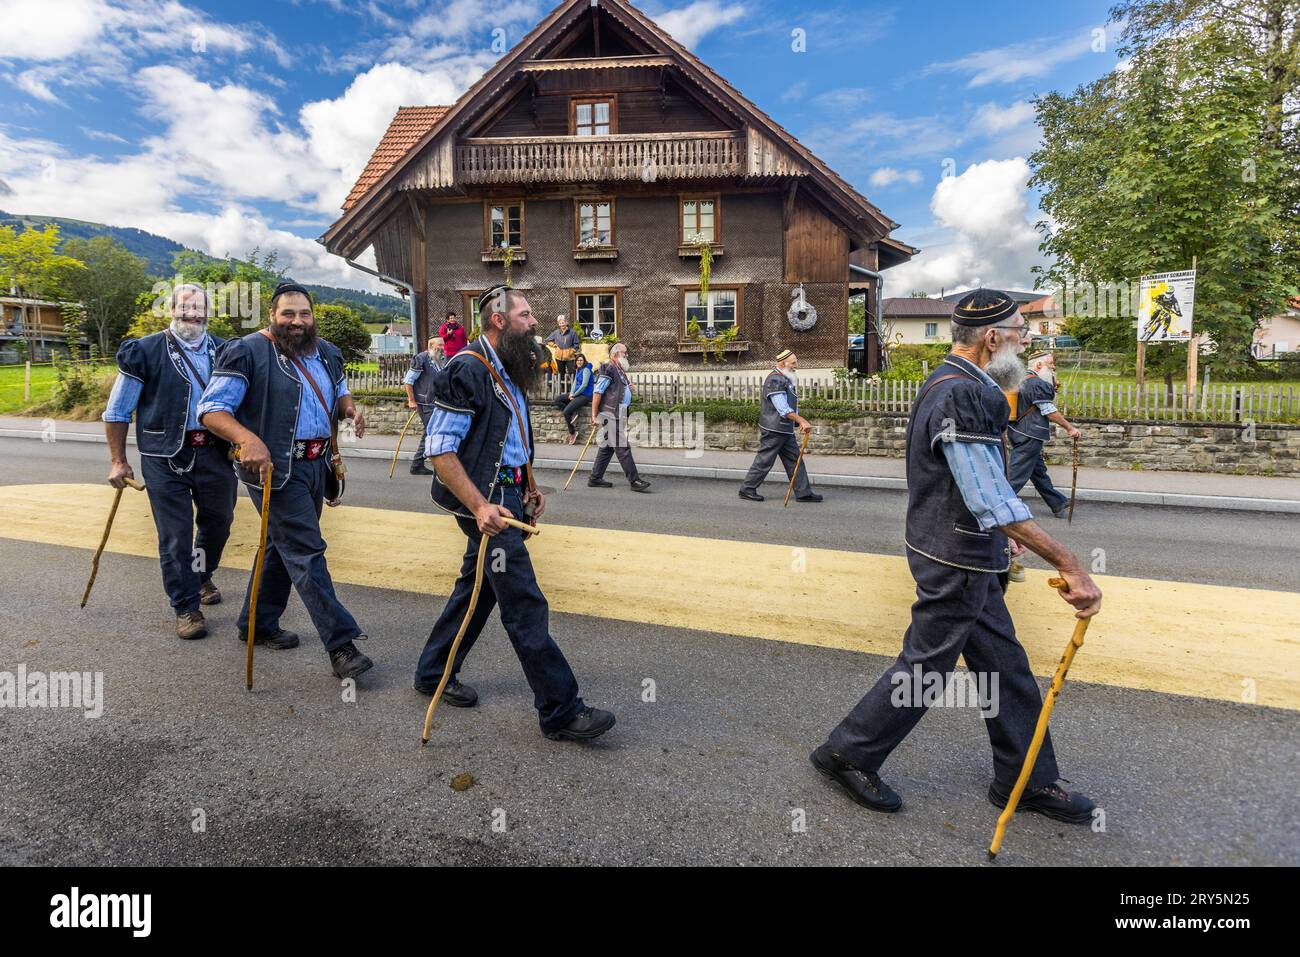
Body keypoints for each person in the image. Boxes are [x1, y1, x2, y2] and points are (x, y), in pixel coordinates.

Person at [811, 288, 1102, 824]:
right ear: (993, 338)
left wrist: (1005, 534)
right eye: (1019, 330)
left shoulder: (956, 381)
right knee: (926, 666)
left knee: (1004, 667)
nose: (1026, 339)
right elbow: (988, 496)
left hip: (964, 550)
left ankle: (1026, 780)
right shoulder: (965, 393)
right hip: (957, 558)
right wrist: (1069, 562)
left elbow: (977, 486)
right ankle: (848, 753)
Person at [413, 283, 615, 742]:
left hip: (508, 496)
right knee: (523, 601)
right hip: (482, 501)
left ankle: (432, 671)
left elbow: (512, 439)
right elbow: (440, 451)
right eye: (526, 315)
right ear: (500, 320)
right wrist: (481, 505)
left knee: (478, 589)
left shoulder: (508, 368)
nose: (536, 322)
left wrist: (528, 484)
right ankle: (560, 710)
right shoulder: (467, 369)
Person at [196, 281, 374, 680]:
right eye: (288, 314)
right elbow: (210, 410)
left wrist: (349, 410)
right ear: (272, 317)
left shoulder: (327, 352)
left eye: (304, 314)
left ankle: (256, 624)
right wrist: (247, 438)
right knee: (307, 551)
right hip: (272, 470)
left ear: (313, 317)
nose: (297, 321)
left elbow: (340, 391)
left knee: (282, 547)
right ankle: (341, 645)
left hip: (316, 466)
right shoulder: (248, 351)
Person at [101, 283, 237, 640]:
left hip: (214, 453)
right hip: (164, 458)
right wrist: (119, 460)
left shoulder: (225, 351)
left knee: (219, 523)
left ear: (209, 314)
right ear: (171, 310)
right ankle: (186, 607)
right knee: (176, 536)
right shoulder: (143, 351)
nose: (191, 315)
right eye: (184, 308)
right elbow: (117, 411)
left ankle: (202, 575)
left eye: (199, 309)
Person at [738, 349, 822, 503]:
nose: (796, 366)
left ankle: (803, 492)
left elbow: (789, 406)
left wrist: (795, 420)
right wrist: (801, 420)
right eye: (793, 363)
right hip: (774, 429)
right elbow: (782, 408)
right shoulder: (775, 380)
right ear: (783, 364)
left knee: (795, 460)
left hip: (784, 428)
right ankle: (747, 489)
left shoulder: (784, 378)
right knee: (764, 460)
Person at [1008, 350, 1080, 520]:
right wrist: (1070, 428)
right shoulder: (1035, 384)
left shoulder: (1020, 380)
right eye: (1051, 364)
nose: (1054, 368)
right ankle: (996, 506)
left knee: (1038, 472)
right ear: (1038, 365)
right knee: (1016, 475)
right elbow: (1049, 411)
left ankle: (1057, 503)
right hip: (1029, 435)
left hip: (1019, 432)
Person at [588, 342, 650, 492]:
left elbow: (616, 390)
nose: (627, 355)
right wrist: (594, 415)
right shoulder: (608, 368)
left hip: (618, 414)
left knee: (608, 447)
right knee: (622, 446)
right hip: (609, 414)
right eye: (625, 352)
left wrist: (629, 388)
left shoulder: (619, 370)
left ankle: (595, 477)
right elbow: (598, 392)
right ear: (615, 354)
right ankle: (634, 480)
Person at [404, 335, 448, 475]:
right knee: (432, 431)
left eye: (443, 345)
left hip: (437, 402)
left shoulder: (441, 359)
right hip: (424, 402)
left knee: (430, 431)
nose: (442, 348)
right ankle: (421, 464)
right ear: (430, 346)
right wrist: (411, 400)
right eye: (439, 345)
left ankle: (418, 463)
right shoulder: (421, 359)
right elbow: (408, 380)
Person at [554, 352, 594, 444]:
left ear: (584, 361)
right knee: (558, 400)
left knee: (566, 412)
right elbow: (575, 383)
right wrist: (571, 394)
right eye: (578, 360)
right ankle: (572, 414)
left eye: (581, 360)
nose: (579, 362)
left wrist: (574, 395)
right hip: (577, 394)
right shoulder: (579, 370)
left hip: (585, 395)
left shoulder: (586, 370)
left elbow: (584, 385)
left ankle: (573, 432)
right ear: (575, 362)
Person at [544, 315, 580, 382]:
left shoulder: (572, 332)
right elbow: (547, 340)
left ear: (566, 322)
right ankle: (562, 389)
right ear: (558, 324)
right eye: (560, 323)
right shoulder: (556, 332)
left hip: (570, 357)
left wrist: (572, 351)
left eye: (563, 322)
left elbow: (576, 344)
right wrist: (554, 345)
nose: (562, 324)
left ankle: (573, 388)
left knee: (572, 373)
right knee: (561, 374)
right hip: (559, 356)